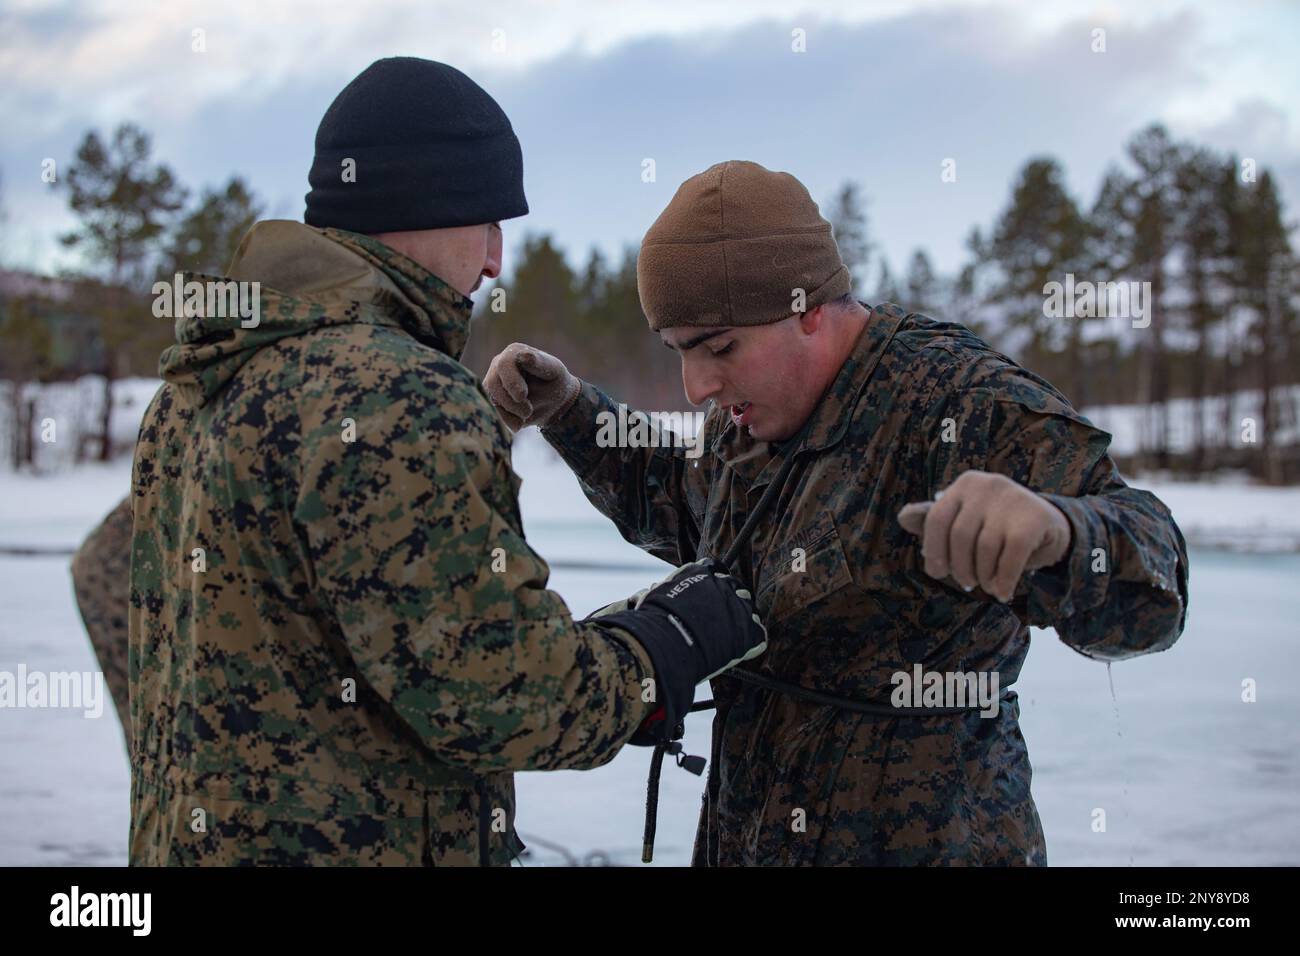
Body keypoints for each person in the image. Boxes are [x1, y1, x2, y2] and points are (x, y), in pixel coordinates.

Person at [77, 58, 766, 867]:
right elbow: (507, 695)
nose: (495, 261)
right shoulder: (395, 393)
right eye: (489, 222)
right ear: (428, 205)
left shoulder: (201, 382)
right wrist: (664, 642)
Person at [484, 159, 1189, 866]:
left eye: (719, 347)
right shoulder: (751, 419)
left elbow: (1154, 577)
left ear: (809, 308)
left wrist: (1061, 535)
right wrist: (574, 413)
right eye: (678, 352)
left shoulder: (956, 401)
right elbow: (689, 508)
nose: (695, 385)